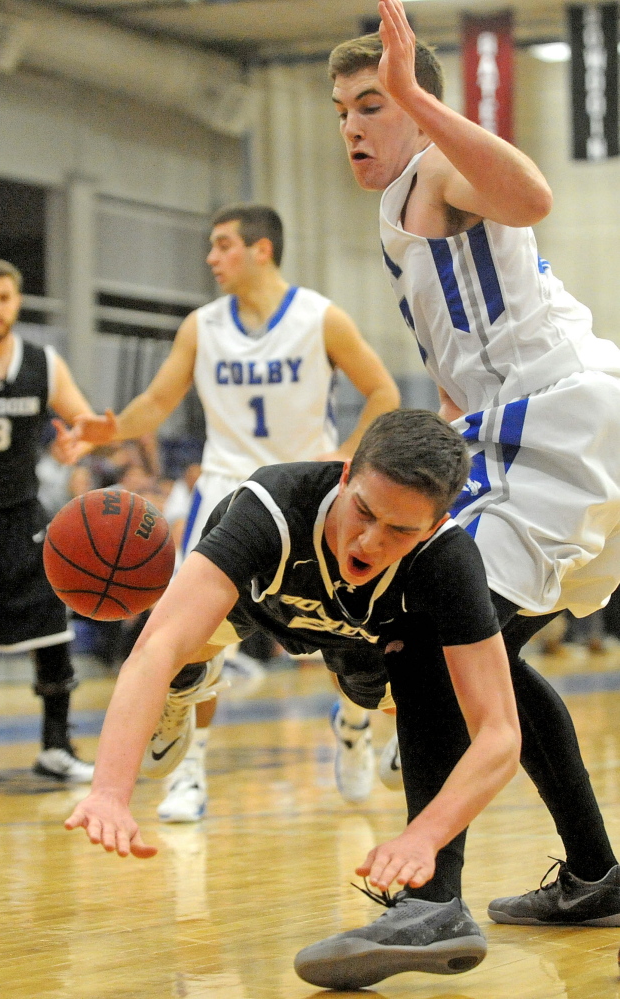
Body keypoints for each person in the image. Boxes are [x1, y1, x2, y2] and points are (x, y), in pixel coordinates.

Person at [328, 0, 620, 928]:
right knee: (485, 658)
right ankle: (595, 874)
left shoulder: (444, 165)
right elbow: (456, 382)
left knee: (429, 635)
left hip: (565, 421)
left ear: (416, 108)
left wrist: (420, 92)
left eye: (371, 105)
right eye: (342, 112)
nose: (352, 127)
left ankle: (432, 897)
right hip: (529, 432)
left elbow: (532, 197)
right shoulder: (393, 217)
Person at [66, 409, 521, 988]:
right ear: (344, 475)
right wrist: (109, 791)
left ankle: (357, 722)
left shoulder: (447, 559)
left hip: (363, 635)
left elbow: (501, 734)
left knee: (423, 696)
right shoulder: (269, 507)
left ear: (432, 527)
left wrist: (423, 835)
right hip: (261, 604)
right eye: (364, 510)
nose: (370, 539)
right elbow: (152, 647)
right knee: (181, 647)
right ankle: (187, 687)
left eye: (400, 531)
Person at [73, 203, 401, 821]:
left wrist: (346, 454)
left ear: (262, 250)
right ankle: (189, 772)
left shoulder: (319, 318)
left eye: (223, 244)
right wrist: (106, 428)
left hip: (310, 493)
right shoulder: (201, 325)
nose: (211, 257)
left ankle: (356, 728)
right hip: (230, 491)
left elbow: (382, 391)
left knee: (354, 623)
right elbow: (157, 401)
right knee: (200, 638)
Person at [0, 256, 97, 780]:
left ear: (17, 302)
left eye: (4, 298)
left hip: (20, 514)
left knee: (52, 631)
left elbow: (84, 418)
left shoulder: (44, 363)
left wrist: (79, 436)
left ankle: (56, 745)